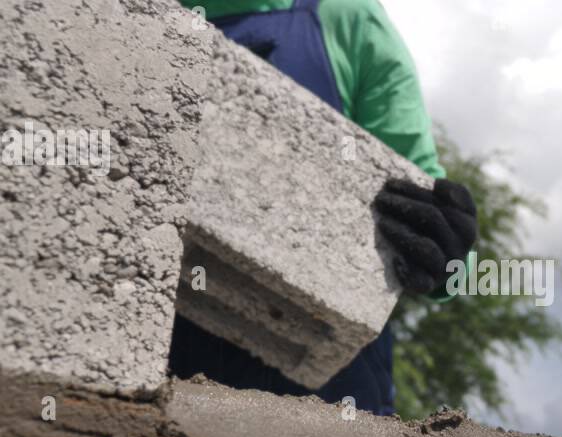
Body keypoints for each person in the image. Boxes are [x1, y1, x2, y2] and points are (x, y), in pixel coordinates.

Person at [169, 0, 478, 416]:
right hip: (150, 375)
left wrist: (446, 260)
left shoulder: (348, 18)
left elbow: (417, 193)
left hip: (328, 398)